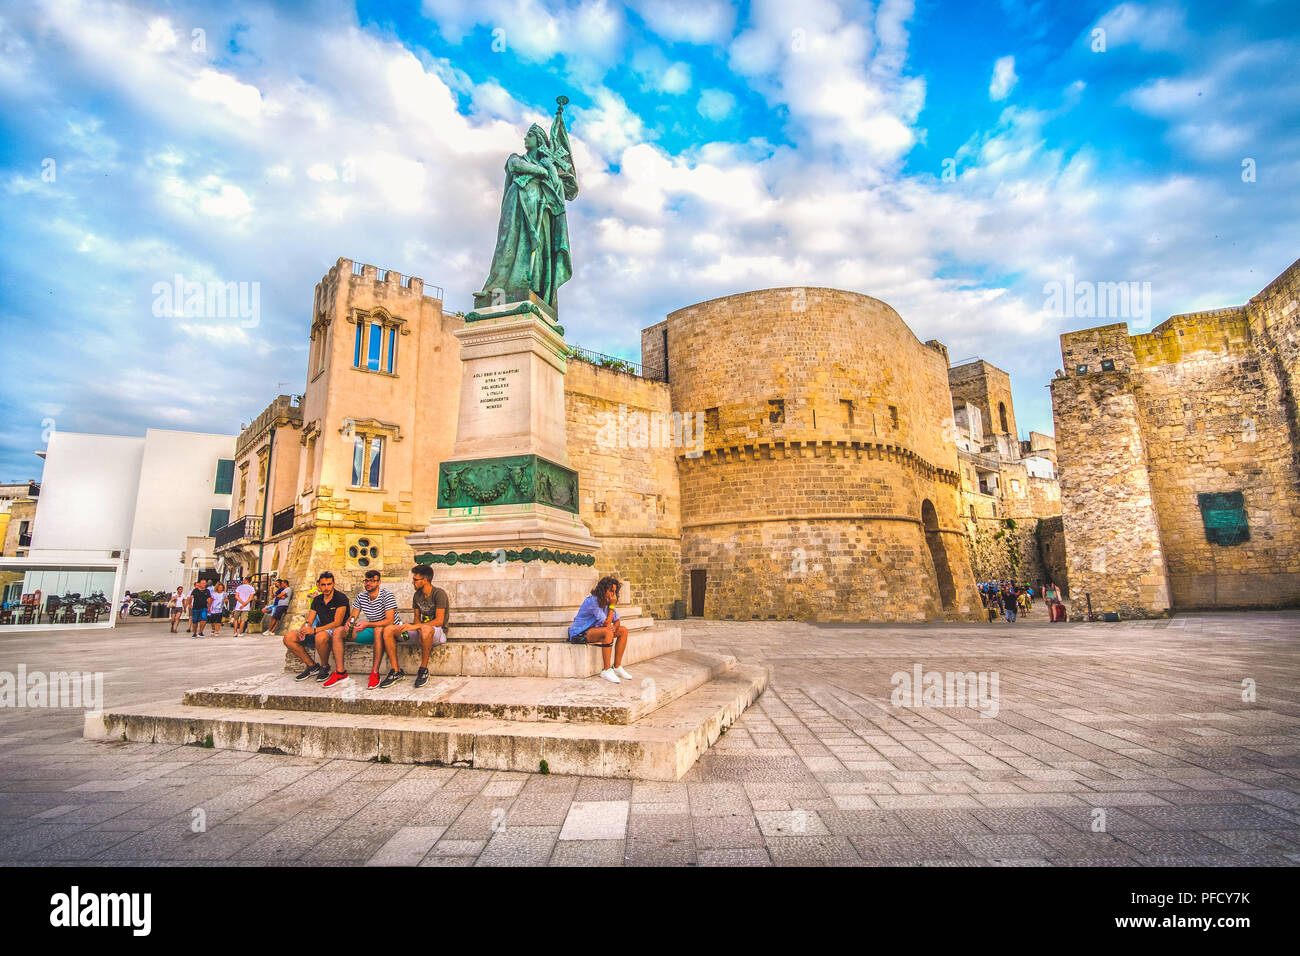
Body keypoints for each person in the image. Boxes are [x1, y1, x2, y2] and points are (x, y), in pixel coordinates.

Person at [380, 564, 449, 690]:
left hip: (437, 633)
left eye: (415, 580)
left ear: (425, 580)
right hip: (420, 632)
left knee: (425, 629)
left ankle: (423, 670)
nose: (413, 582)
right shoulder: (417, 595)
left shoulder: (439, 594)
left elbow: (439, 621)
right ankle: (396, 671)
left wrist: (417, 626)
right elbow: (417, 618)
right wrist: (409, 628)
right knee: (389, 629)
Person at [283, 571, 350, 684]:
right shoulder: (317, 600)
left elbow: (337, 622)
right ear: (319, 585)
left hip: (335, 631)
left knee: (320, 636)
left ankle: (324, 666)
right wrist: (304, 628)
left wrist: (314, 630)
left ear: (333, 584)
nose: (326, 587)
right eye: (323, 585)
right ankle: (312, 666)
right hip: (319, 629)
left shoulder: (341, 598)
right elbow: (310, 619)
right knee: (289, 637)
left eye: (329, 584)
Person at [568, 576, 630, 683]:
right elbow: (606, 623)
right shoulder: (593, 601)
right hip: (579, 633)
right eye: (611, 591)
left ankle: (617, 666)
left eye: (615, 591)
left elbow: (617, 620)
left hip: (593, 631)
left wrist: (614, 626)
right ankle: (606, 670)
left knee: (623, 630)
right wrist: (611, 607)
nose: (613, 594)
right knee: (608, 631)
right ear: (603, 590)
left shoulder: (608, 602)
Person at [346, 570, 399, 689]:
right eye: (366, 581)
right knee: (339, 632)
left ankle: (375, 672)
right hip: (373, 629)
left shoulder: (387, 595)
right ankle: (339, 672)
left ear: (379, 582)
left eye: (372, 581)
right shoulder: (361, 596)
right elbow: (353, 616)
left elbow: (389, 621)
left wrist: (367, 624)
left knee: (379, 630)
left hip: (392, 630)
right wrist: (349, 624)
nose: (368, 583)